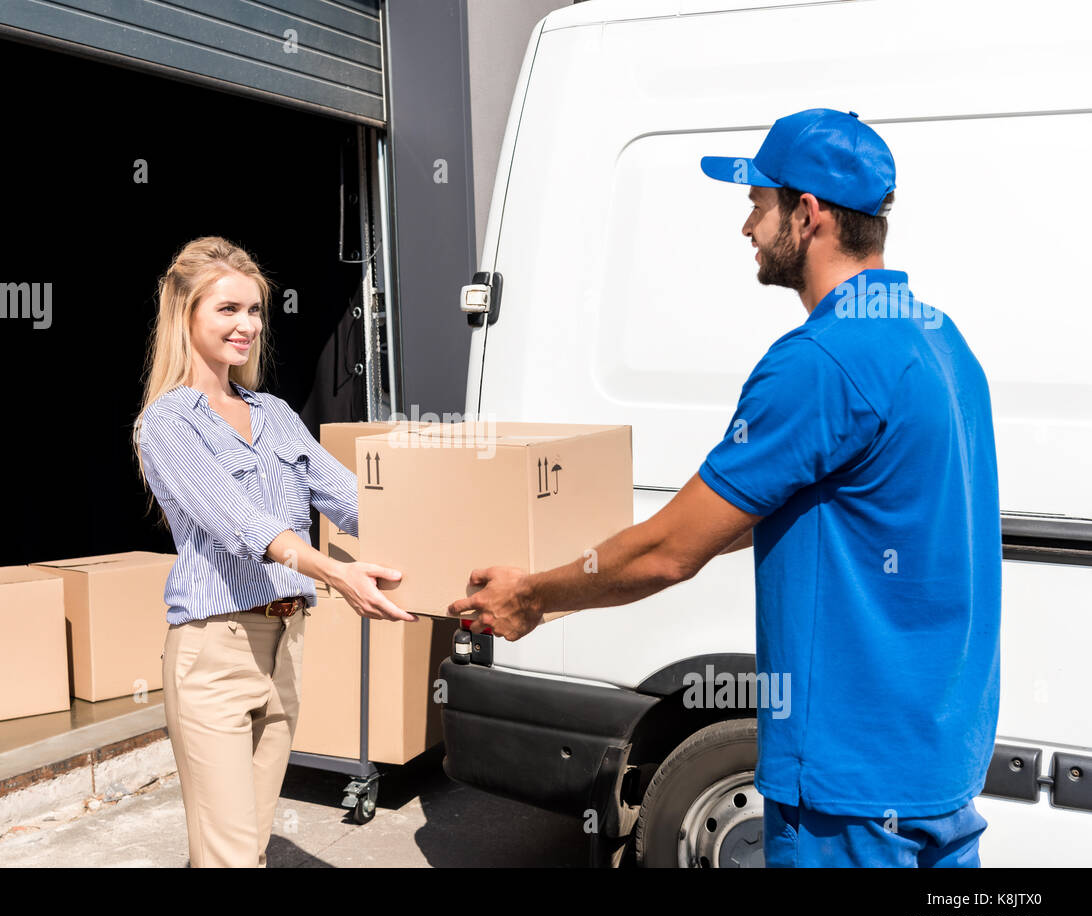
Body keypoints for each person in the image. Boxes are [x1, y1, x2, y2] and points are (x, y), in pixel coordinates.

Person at [447, 109, 1001, 868]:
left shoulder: (821, 360)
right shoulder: (939, 338)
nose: (746, 226)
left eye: (758, 202)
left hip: (848, 790)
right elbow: (804, 503)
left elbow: (671, 552)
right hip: (937, 765)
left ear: (806, 216)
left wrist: (534, 595)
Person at [133, 236, 415, 868]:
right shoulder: (168, 423)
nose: (247, 326)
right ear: (186, 315)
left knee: (248, 847)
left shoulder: (277, 415)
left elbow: (350, 499)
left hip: (285, 644)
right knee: (229, 854)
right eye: (228, 310)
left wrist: (442, 533)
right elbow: (244, 527)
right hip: (214, 650)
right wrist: (338, 574)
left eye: (256, 311)